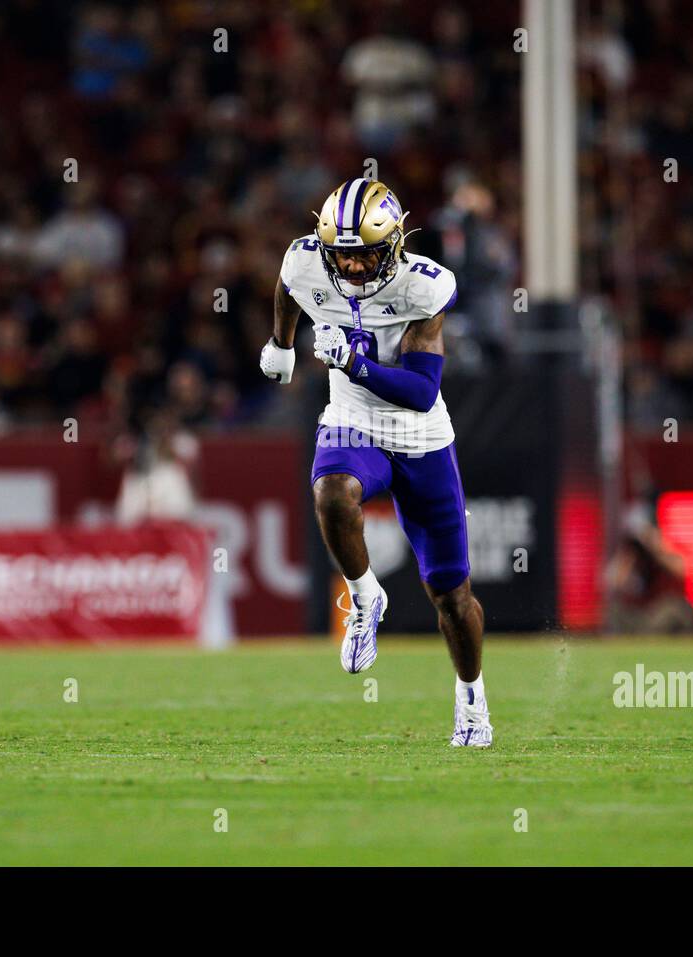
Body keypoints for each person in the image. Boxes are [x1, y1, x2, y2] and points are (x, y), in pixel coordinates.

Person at [258, 178, 491, 747]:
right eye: (344, 256)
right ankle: (364, 596)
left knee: (452, 597)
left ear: (395, 244)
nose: (355, 268)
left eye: (366, 254)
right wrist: (282, 345)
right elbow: (289, 289)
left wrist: (354, 364)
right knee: (331, 491)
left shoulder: (424, 287)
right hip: (351, 422)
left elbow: (419, 390)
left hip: (419, 436)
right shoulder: (306, 261)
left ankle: (471, 700)